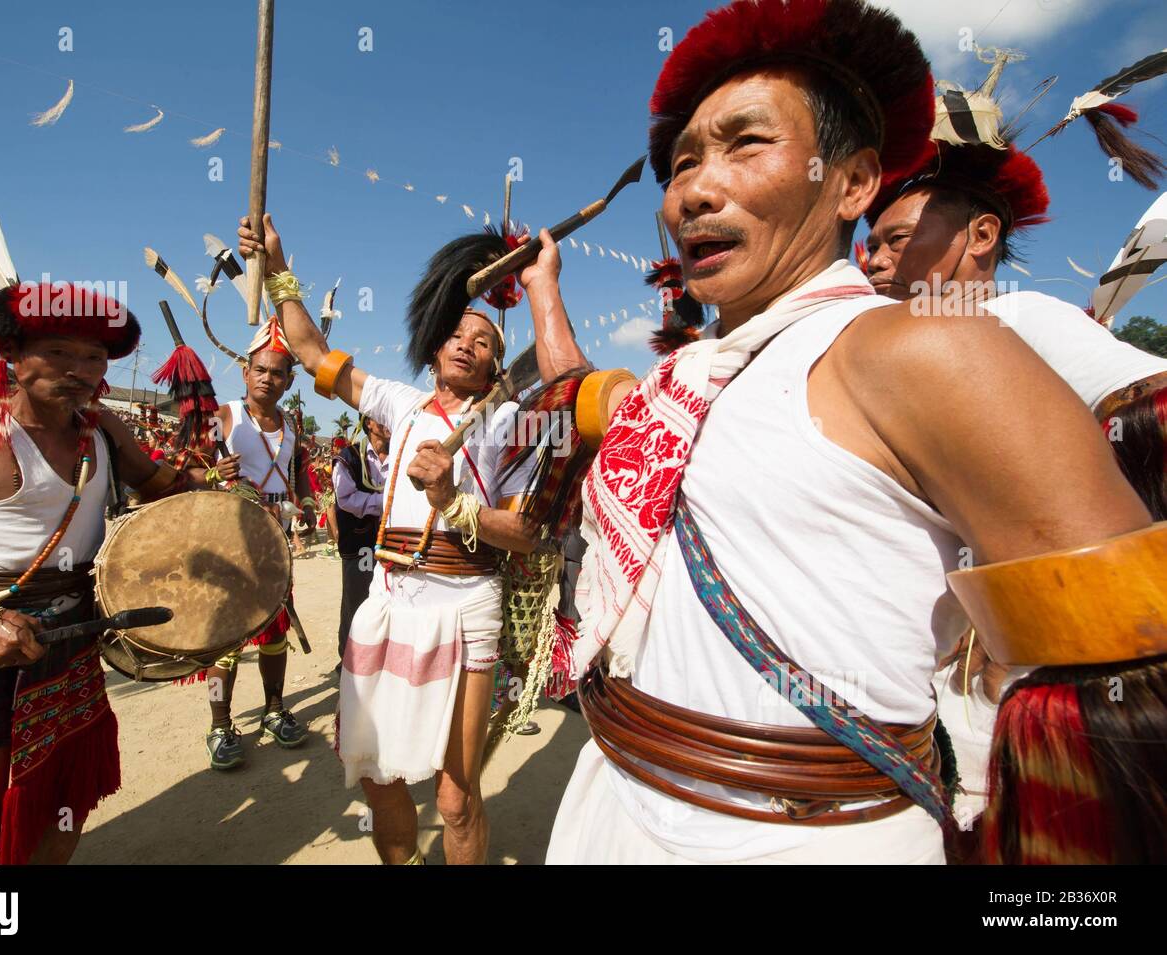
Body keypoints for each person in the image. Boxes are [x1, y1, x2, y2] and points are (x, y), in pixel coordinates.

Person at [511, 0, 1156, 864]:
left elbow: (1117, 691)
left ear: (852, 181)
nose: (694, 189)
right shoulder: (682, 383)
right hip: (608, 808)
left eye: (746, 144)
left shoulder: (926, 349)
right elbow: (577, 393)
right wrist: (545, 287)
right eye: (684, 161)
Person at [861, 112, 1167, 843]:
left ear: (981, 237)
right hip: (942, 706)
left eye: (896, 240)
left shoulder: (1020, 319)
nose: (872, 261)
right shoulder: (894, 355)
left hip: (1037, 711)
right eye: (867, 245)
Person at [0, 282, 237, 865]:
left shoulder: (103, 432)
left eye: (93, 357)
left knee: (60, 811)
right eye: (59, 352)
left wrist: (212, 485)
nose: (81, 370)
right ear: (14, 356)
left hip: (75, 640)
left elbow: (164, 492)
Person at [238, 215, 549, 865]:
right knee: (379, 781)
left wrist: (451, 502)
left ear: (496, 362)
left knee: (457, 798)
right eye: (457, 332)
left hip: (469, 608)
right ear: (436, 345)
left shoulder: (511, 425)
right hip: (386, 605)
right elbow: (311, 352)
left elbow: (526, 533)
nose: (468, 343)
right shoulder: (397, 402)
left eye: (485, 340)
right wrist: (276, 265)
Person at [201, 317, 317, 771]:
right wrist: (214, 474)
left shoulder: (291, 425)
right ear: (246, 373)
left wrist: (305, 500)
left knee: (273, 633)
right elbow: (185, 468)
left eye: (278, 373)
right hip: (231, 538)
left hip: (276, 542)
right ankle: (220, 724)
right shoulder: (223, 417)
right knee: (227, 637)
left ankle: (273, 710)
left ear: (289, 381)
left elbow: (299, 469)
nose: (268, 379)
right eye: (261, 371)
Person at [331, 414, 390, 666]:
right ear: (369, 423)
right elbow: (346, 499)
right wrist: (386, 503)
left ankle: (381, 660)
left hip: (395, 544)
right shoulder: (348, 458)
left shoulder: (403, 450)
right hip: (360, 545)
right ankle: (348, 659)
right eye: (384, 418)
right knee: (357, 601)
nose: (390, 422)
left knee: (391, 602)